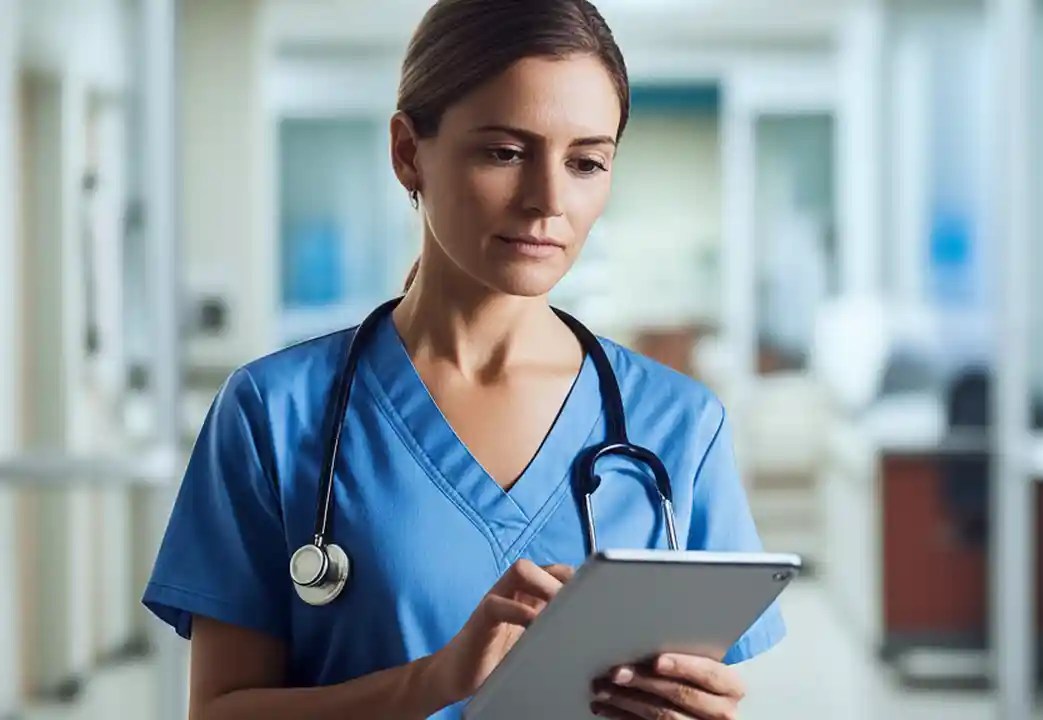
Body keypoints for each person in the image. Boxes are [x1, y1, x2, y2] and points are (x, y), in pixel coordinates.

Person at [141, 1, 785, 718]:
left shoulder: (679, 426)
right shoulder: (274, 413)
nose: (548, 201)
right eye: (505, 153)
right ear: (408, 153)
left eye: (586, 162)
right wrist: (432, 683)